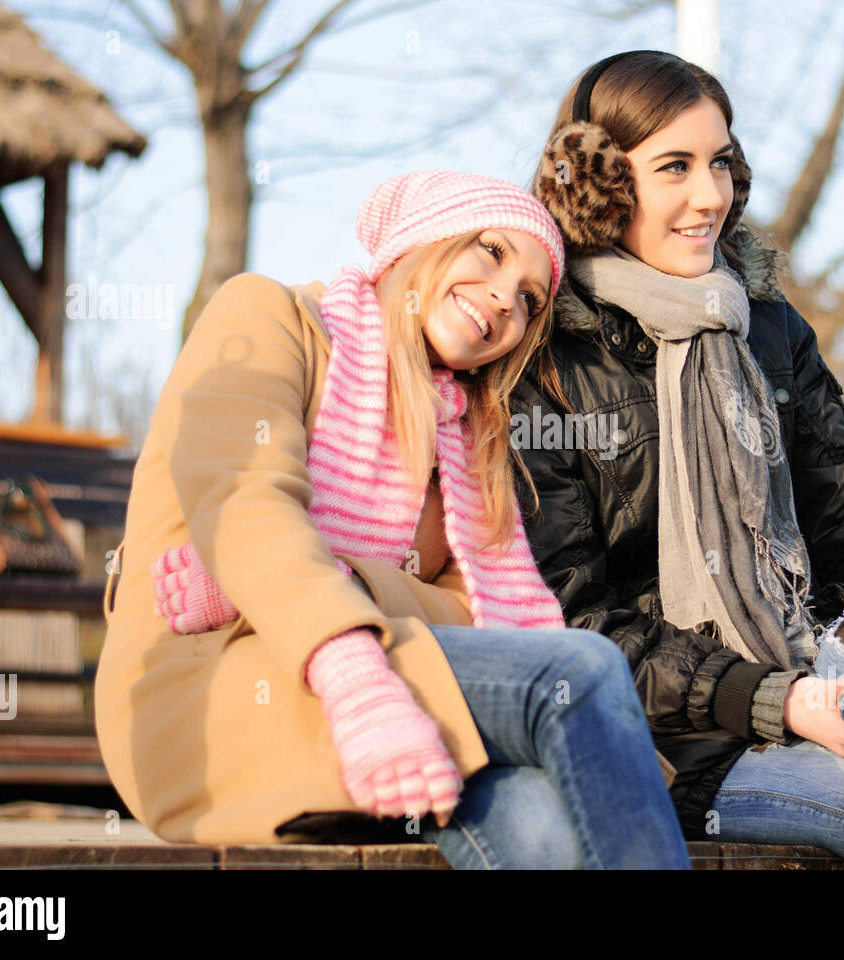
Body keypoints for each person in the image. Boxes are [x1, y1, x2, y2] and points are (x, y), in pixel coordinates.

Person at [94, 170, 691, 869]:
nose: (506, 298)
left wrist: (344, 581)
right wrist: (356, 679)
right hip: (211, 695)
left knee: (540, 828)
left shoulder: (470, 439)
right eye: (491, 252)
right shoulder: (269, 318)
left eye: (531, 299)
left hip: (398, 704)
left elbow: (477, 612)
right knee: (582, 671)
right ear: (425, 240)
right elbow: (249, 510)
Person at [513, 50, 844, 869]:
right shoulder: (549, 359)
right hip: (683, 747)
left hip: (834, 689)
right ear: (598, 184)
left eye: (721, 163)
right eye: (675, 166)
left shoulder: (770, 328)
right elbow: (577, 624)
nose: (711, 196)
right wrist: (776, 701)